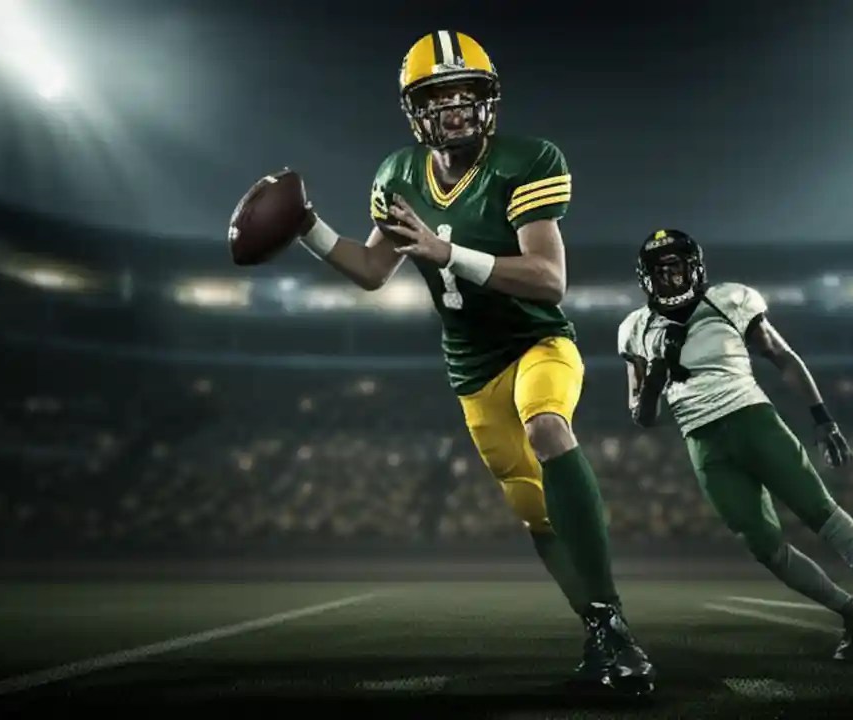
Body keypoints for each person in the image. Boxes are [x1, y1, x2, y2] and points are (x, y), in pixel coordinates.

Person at [233, 30, 655, 694]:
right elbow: (374, 270)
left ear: (489, 101)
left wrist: (446, 254)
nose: (455, 108)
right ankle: (601, 624)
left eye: (468, 93)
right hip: (471, 371)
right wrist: (307, 228)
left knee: (548, 424)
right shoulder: (398, 174)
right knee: (534, 515)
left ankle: (620, 634)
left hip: (539, 343)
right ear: (414, 108)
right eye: (439, 95)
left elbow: (548, 280)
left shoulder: (528, 160)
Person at [617, 228, 853, 669]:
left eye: (676, 266)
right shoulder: (634, 328)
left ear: (694, 267)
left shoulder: (728, 300)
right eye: (660, 270)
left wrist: (822, 417)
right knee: (762, 545)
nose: (669, 277)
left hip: (752, 419)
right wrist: (654, 379)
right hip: (701, 441)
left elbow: (783, 356)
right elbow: (642, 416)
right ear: (646, 278)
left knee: (824, 515)